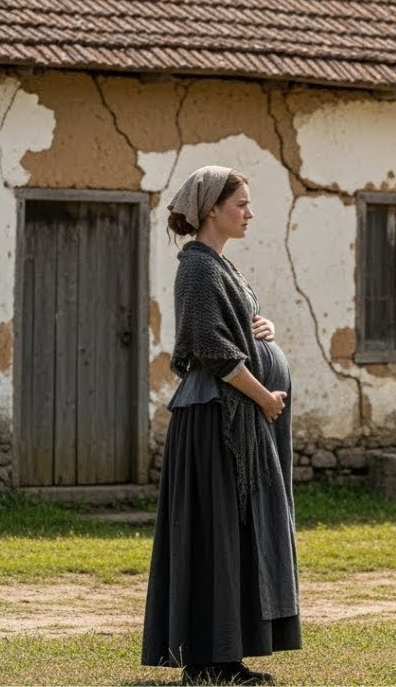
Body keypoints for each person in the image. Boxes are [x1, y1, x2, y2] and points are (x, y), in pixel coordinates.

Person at [142, 166, 301, 685]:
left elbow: (240, 330)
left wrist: (266, 329)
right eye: (242, 205)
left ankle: (227, 654)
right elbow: (210, 348)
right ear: (213, 209)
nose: (250, 213)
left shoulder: (220, 266)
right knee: (216, 534)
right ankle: (210, 660)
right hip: (214, 420)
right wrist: (263, 398)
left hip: (233, 416)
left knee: (235, 533)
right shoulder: (197, 268)